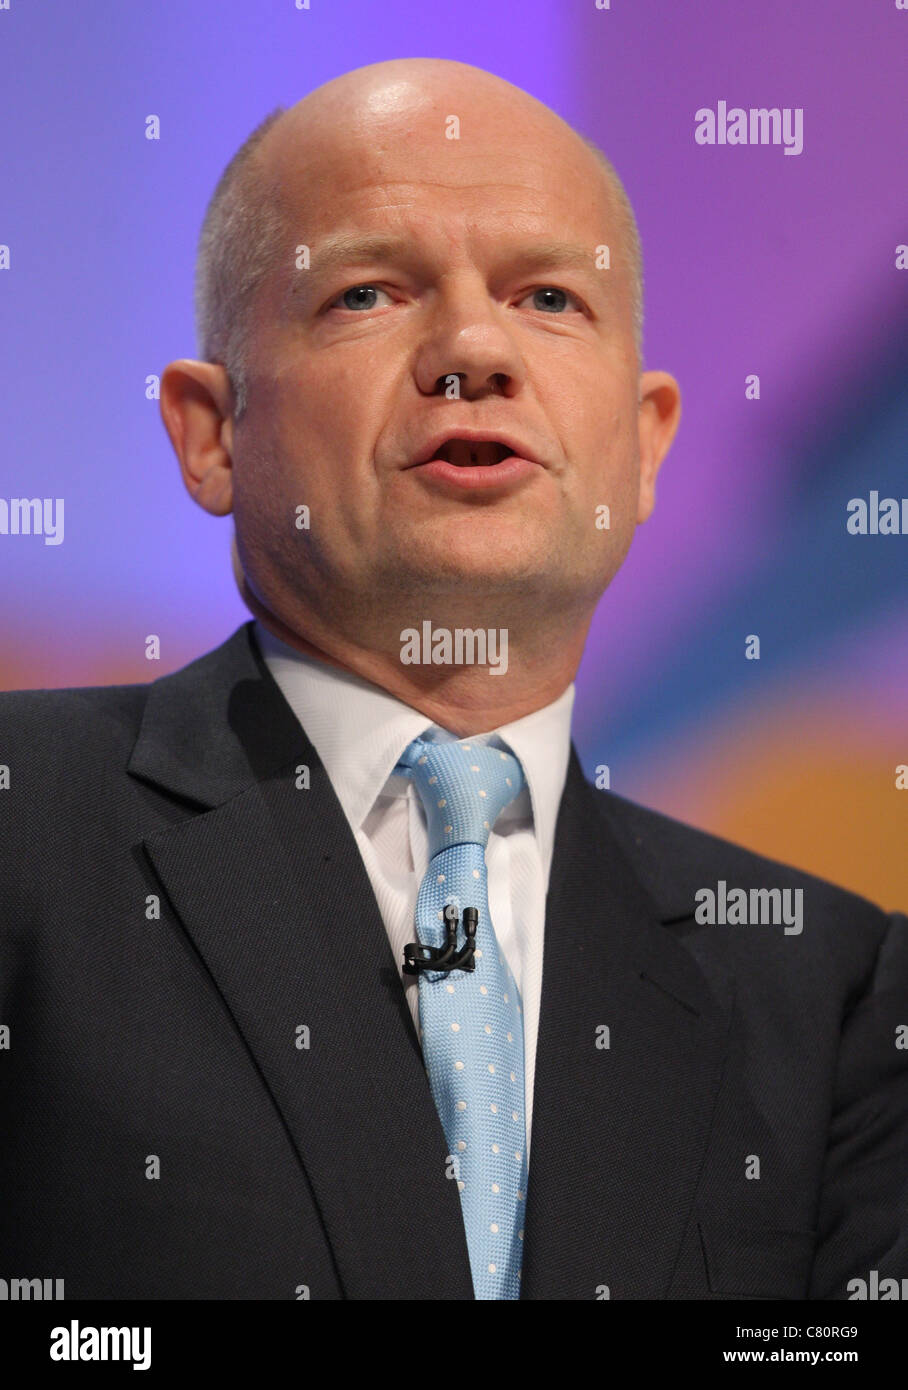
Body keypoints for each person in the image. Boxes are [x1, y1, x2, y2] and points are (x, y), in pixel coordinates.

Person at [1, 58, 905, 1302]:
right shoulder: (21, 822)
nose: (473, 348)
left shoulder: (832, 983)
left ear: (643, 445)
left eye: (547, 297)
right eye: (368, 291)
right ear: (212, 432)